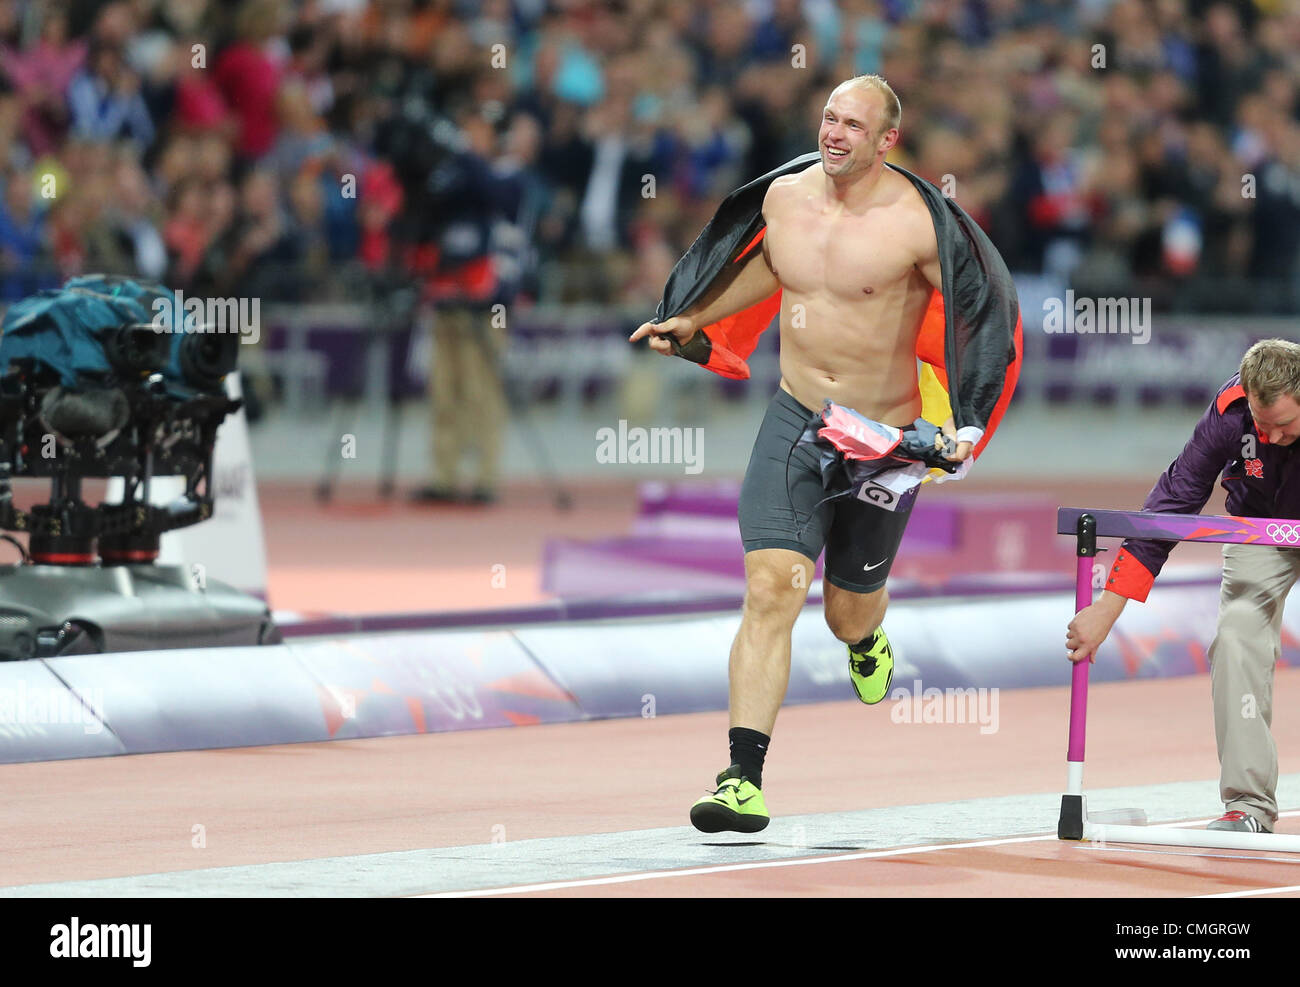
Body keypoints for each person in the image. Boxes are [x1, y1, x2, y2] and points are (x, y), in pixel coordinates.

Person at [631, 75, 1021, 833]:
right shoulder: (784, 199)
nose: (835, 133)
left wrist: (965, 421)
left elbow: (978, 313)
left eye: (854, 124)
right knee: (773, 584)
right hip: (799, 418)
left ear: (887, 141)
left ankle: (868, 635)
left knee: (843, 615)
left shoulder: (917, 224)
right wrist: (692, 315)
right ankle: (742, 777)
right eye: (829, 118)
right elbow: (773, 268)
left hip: (884, 443)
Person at [1067, 339, 1300, 835]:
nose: (1273, 436)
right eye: (1263, 426)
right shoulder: (1228, 414)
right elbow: (1173, 502)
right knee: (1236, 640)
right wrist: (1108, 607)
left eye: (1285, 425)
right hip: (1259, 530)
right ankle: (1249, 807)